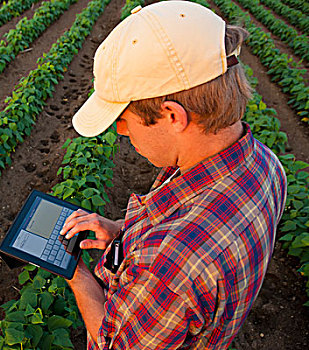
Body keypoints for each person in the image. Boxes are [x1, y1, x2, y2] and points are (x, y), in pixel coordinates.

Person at [59, 1, 287, 349]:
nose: (120, 132)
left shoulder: (170, 266)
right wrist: (124, 234)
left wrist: (75, 273)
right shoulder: (266, 165)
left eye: (123, 117)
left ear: (172, 116)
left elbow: (113, 343)